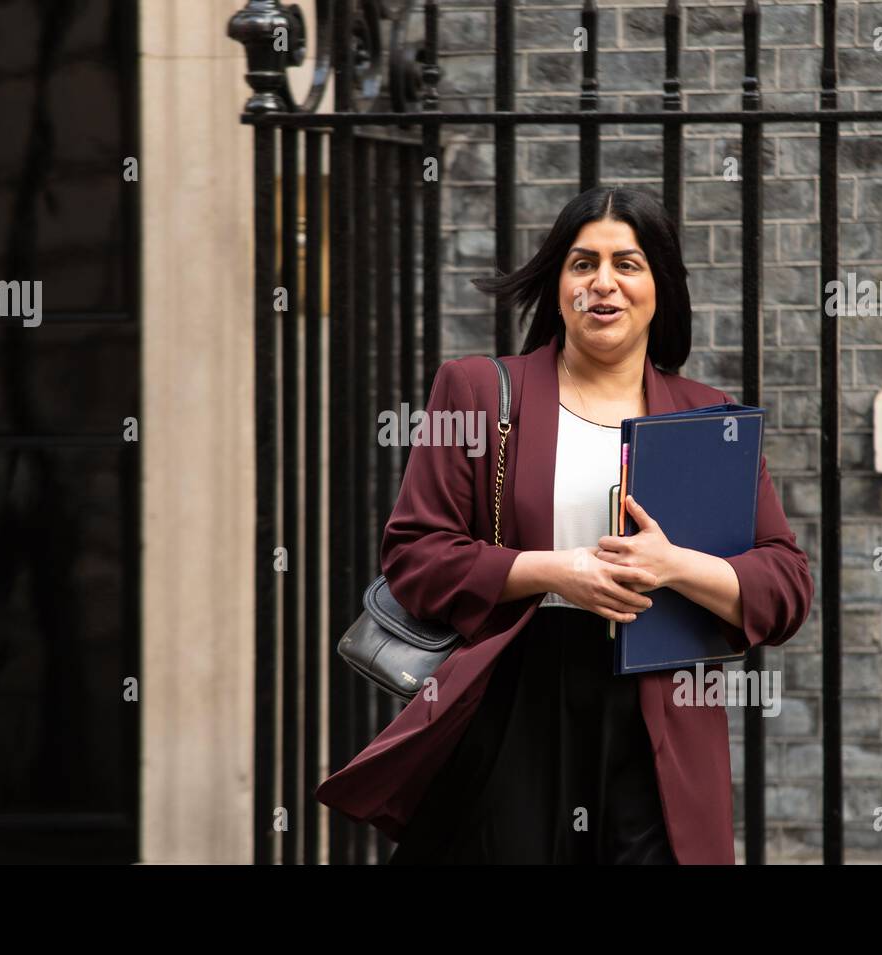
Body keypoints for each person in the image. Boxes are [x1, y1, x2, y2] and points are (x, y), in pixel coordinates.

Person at [313, 185, 814, 864]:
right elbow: (416, 555)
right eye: (582, 264)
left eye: (627, 264)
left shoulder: (709, 417)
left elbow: (785, 584)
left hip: (658, 712)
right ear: (556, 287)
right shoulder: (478, 392)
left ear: (659, 286)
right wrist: (557, 570)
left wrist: (674, 565)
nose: (602, 282)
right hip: (516, 699)